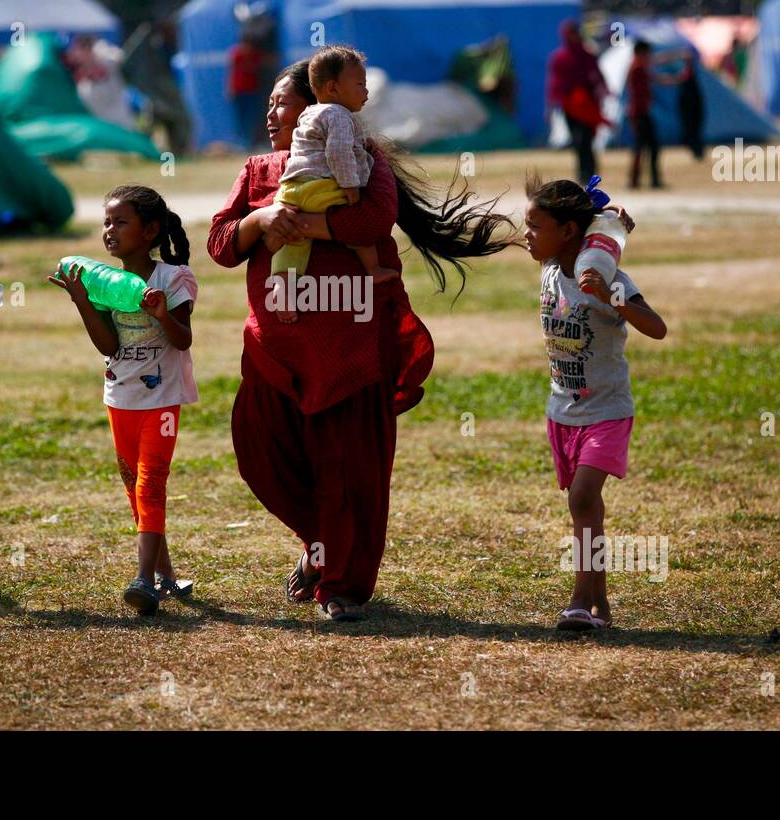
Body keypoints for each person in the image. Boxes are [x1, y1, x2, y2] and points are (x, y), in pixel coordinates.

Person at [207, 60, 514, 621]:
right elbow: (222, 244)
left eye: (282, 102)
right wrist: (261, 221)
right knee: (263, 458)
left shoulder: (363, 163)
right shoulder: (257, 172)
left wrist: (303, 226)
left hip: (351, 349)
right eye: (270, 104)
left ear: (321, 106)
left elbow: (372, 221)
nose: (271, 113)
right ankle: (322, 545)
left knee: (351, 474)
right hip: (276, 347)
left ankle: (342, 586)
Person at [522, 177, 667, 630]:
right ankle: (599, 606)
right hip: (561, 413)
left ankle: (579, 600)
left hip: (606, 412)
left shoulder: (607, 280)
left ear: (567, 231)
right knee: (585, 507)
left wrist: (612, 297)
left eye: (534, 226)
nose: (526, 234)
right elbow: (587, 231)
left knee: (585, 497)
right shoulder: (549, 265)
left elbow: (657, 327)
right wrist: (611, 220)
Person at [49, 185, 197, 616]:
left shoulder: (173, 279)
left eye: (120, 222)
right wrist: (81, 299)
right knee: (135, 489)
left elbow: (183, 340)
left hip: (162, 400)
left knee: (152, 485)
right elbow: (109, 346)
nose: (109, 231)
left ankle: (143, 580)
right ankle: (167, 575)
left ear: (150, 231)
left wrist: (161, 314)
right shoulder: (108, 288)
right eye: (106, 222)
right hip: (120, 397)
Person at [269, 44, 398, 322]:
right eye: (360, 84)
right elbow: (337, 152)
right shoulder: (339, 115)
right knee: (359, 228)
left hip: (291, 190)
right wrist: (350, 185)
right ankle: (373, 269)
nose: (366, 92)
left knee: (292, 245)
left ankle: (282, 290)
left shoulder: (309, 113)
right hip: (322, 187)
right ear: (333, 88)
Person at [546, 20, 608, 184]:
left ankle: (590, 173)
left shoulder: (587, 55)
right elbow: (555, 83)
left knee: (586, 138)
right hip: (570, 105)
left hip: (587, 104)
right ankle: (581, 173)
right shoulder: (559, 57)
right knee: (577, 140)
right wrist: (550, 107)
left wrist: (604, 92)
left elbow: (597, 75)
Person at [625, 41, 688, 189]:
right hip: (639, 113)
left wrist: (675, 70)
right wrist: (678, 60)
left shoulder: (639, 66)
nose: (648, 56)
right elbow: (656, 71)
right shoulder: (637, 68)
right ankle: (641, 181)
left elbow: (657, 65)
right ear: (640, 53)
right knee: (645, 148)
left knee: (647, 148)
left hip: (642, 113)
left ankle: (642, 180)